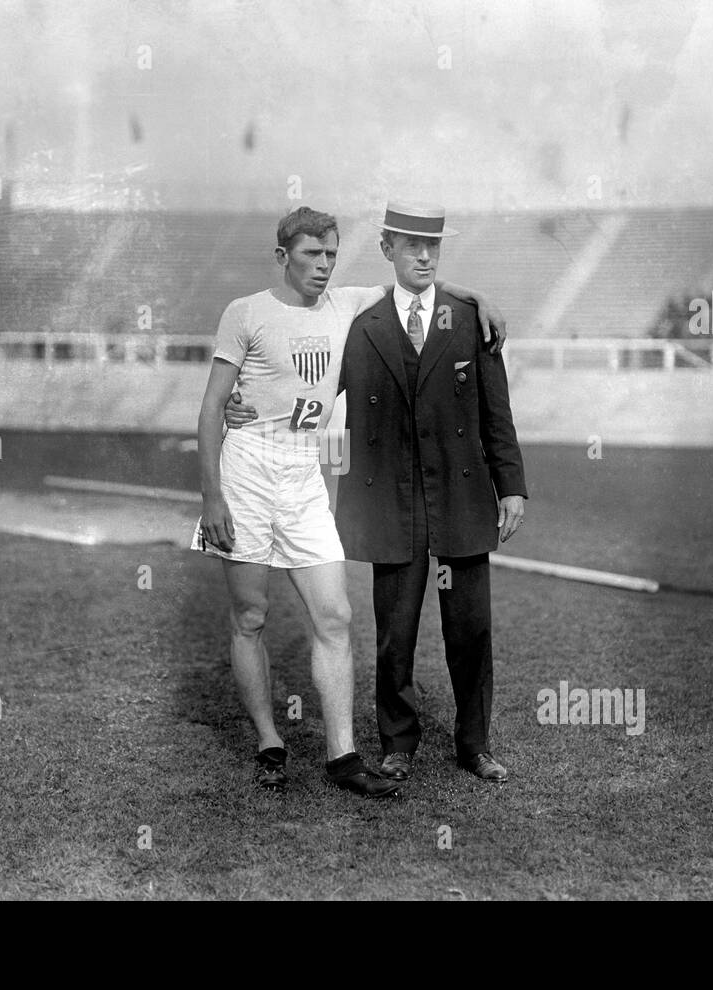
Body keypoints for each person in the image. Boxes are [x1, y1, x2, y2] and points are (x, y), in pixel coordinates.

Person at [197, 205, 505, 797]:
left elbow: (417, 285)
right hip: (247, 472)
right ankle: (269, 742)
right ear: (282, 256)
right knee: (250, 616)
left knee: (335, 615)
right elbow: (213, 407)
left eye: (332, 255)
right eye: (312, 255)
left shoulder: (346, 306)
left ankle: (343, 757)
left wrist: (479, 297)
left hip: (305, 477)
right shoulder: (246, 313)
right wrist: (212, 497)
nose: (323, 266)